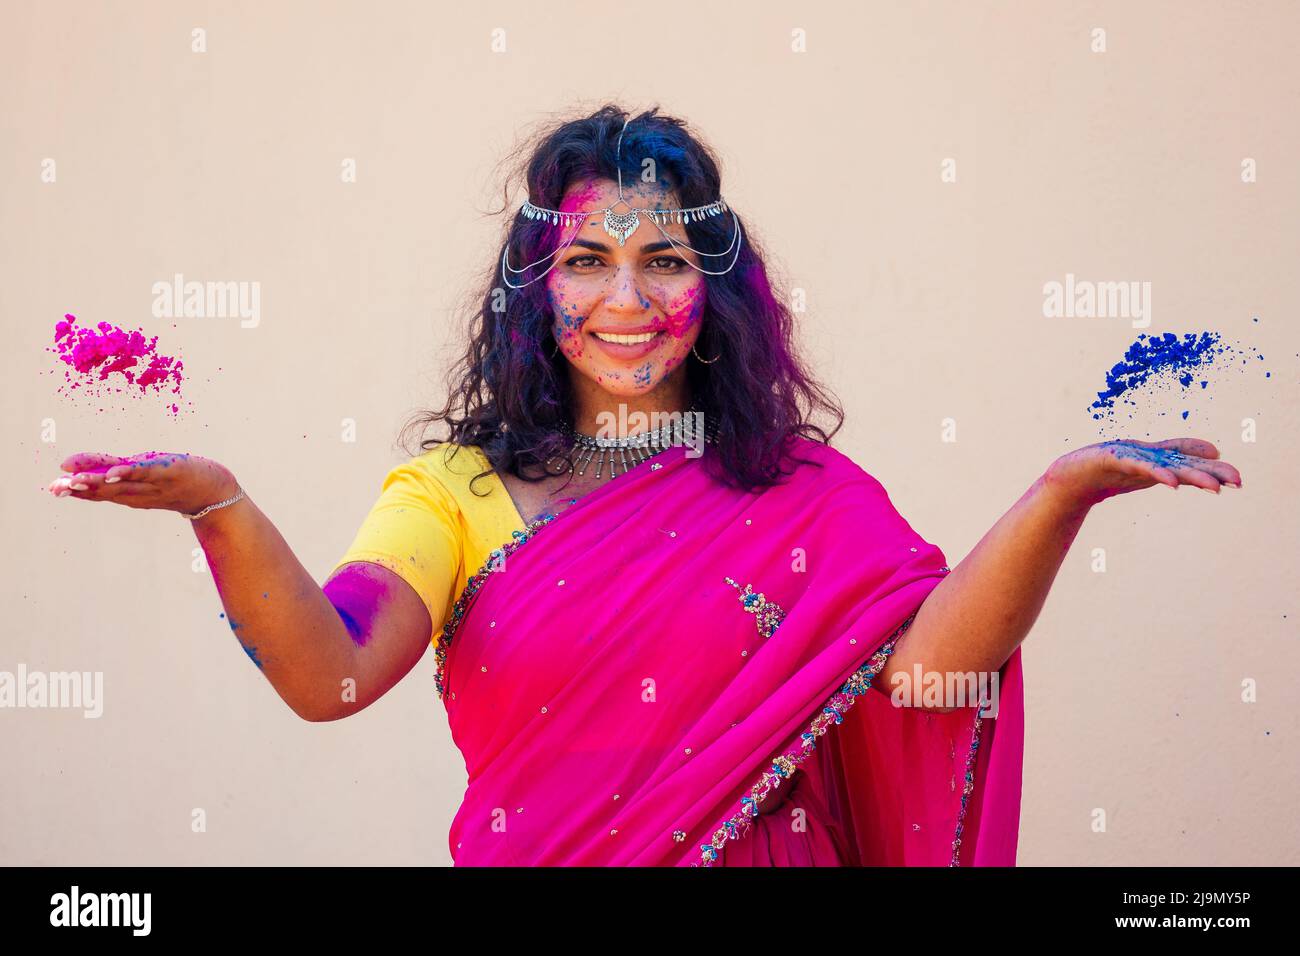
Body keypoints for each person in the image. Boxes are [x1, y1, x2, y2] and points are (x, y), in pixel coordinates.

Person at [47, 105, 1243, 867]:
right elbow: (332, 670)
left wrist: (1056, 496)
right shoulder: (452, 488)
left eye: (662, 258)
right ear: (537, 287)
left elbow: (932, 677)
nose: (626, 298)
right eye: (586, 260)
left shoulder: (801, 492)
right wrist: (220, 505)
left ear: (711, 287)